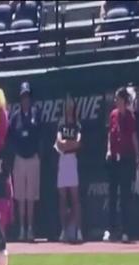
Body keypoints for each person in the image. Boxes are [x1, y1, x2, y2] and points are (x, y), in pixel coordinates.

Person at [105, 87, 139, 243]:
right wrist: (108, 150)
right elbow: (109, 135)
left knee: (125, 196)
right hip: (114, 159)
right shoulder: (112, 115)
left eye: (118, 98)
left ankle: (126, 231)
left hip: (126, 159)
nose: (116, 101)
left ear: (123, 100)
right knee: (112, 195)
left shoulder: (130, 117)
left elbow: (134, 137)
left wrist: (138, 157)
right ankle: (112, 230)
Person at [8, 81, 41, 241]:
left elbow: (40, 135)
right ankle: (22, 229)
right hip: (20, 159)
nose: (25, 100)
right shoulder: (15, 117)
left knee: (31, 197)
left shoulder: (36, 113)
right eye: (23, 97)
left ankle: (30, 229)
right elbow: (11, 137)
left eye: (27, 96)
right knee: (20, 197)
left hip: (33, 158)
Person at [55, 96, 83, 243]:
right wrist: (66, 144)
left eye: (71, 105)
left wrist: (68, 144)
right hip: (62, 160)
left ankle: (78, 231)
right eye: (67, 105)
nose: (69, 108)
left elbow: (78, 143)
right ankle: (64, 230)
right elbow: (59, 143)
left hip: (72, 161)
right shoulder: (61, 124)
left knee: (74, 197)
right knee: (63, 198)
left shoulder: (77, 125)